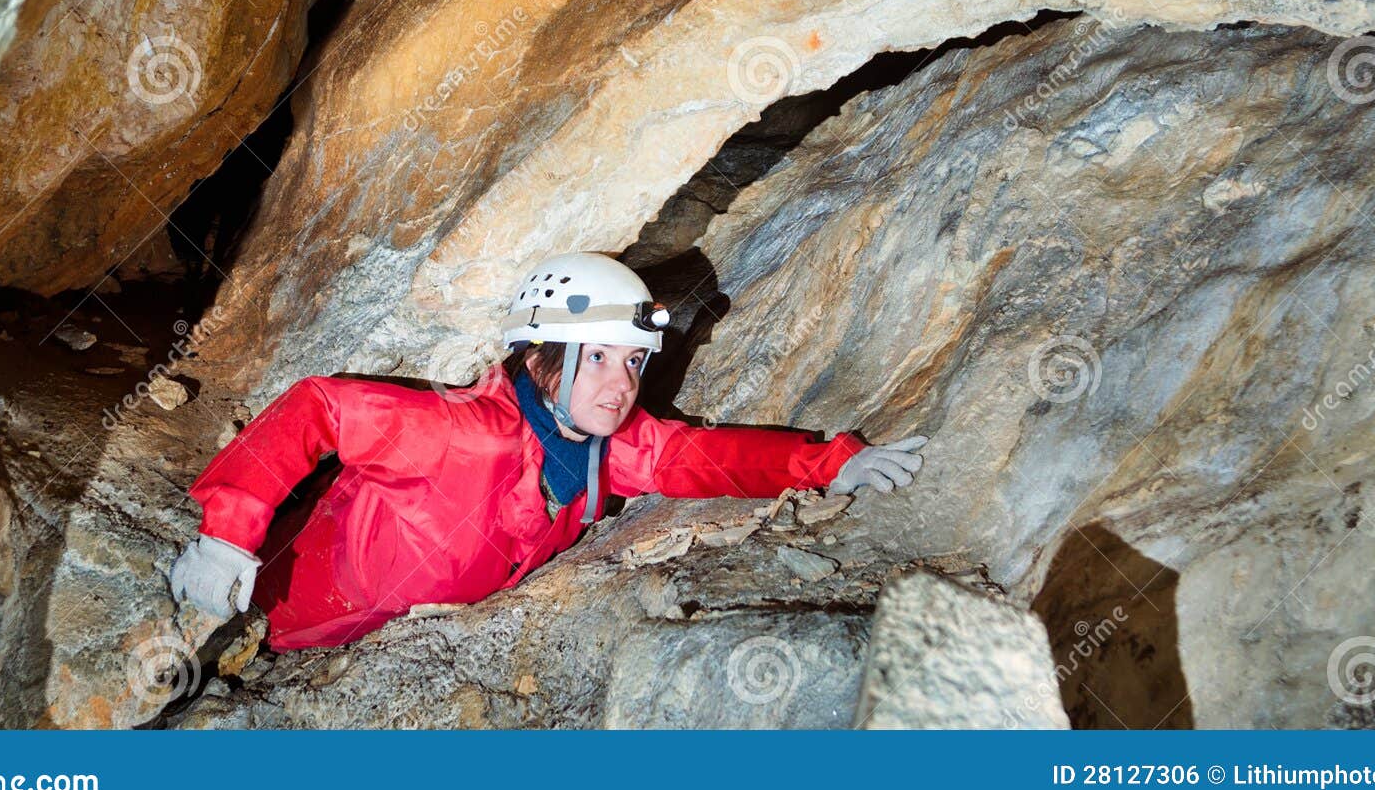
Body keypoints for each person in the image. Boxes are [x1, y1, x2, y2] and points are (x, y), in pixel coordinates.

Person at [170, 251, 927, 649]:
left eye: (633, 361)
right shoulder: (459, 430)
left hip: (362, 632)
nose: (622, 382)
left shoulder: (603, 447)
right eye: (598, 357)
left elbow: (698, 457)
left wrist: (830, 466)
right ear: (541, 360)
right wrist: (226, 538)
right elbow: (321, 407)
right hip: (274, 605)